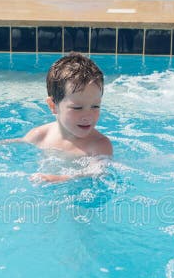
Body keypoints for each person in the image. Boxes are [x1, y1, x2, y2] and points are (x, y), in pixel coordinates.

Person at [14, 52, 113, 183]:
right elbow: (14, 145)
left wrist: (61, 178)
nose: (88, 116)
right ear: (53, 106)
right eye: (77, 108)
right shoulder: (40, 135)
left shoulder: (99, 145)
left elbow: (97, 171)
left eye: (95, 106)